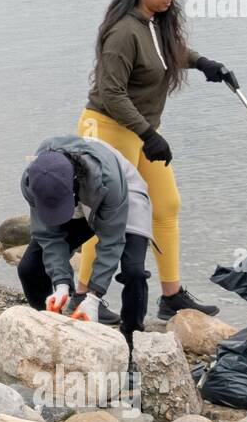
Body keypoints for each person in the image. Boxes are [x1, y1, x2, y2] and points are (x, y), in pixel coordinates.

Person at [77, 0, 237, 321]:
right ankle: (84, 296)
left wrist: (202, 63)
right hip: (108, 127)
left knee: (166, 205)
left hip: (140, 131)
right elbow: (112, 94)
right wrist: (149, 134)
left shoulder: (154, 22)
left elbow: (166, 53)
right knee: (104, 216)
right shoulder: (122, 32)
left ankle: (171, 296)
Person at [18, 136, 152, 354]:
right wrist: (61, 284)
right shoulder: (36, 180)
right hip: (75, 199)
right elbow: (49, 237)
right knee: (30, 268)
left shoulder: (107, 178)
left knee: (134, 271)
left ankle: (131, 341)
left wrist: (93, 296)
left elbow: (112, 241)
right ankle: (50, 330)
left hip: (118, 192)